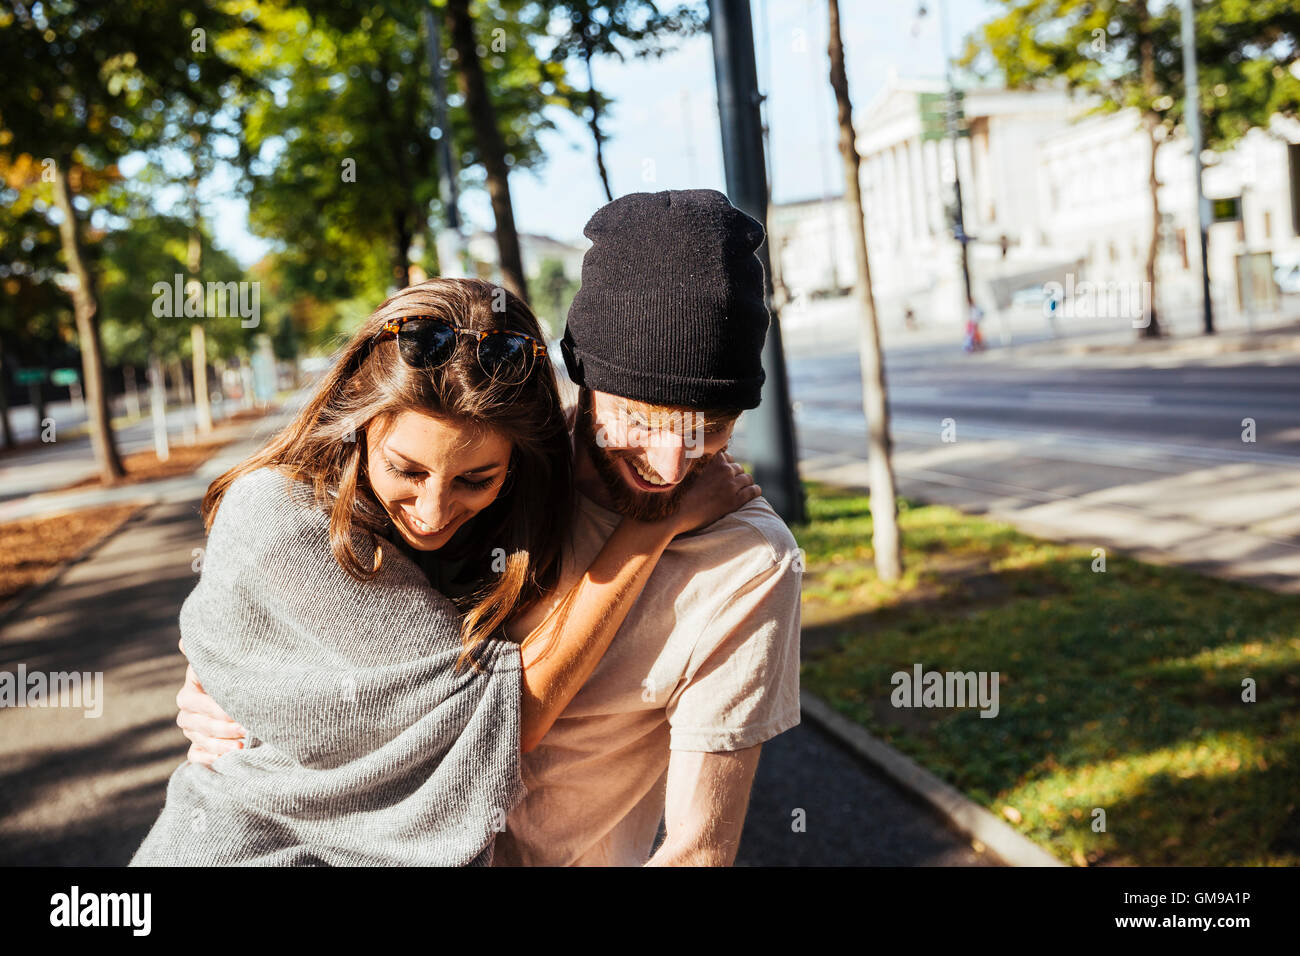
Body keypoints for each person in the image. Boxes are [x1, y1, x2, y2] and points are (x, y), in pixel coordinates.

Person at [179, 189, 805, 866]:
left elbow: (698, 852)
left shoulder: (746, 560)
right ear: (581, 374)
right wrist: (222, 684)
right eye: (642, 419)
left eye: (707, 429)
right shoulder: (500, 469)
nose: (668, 466)